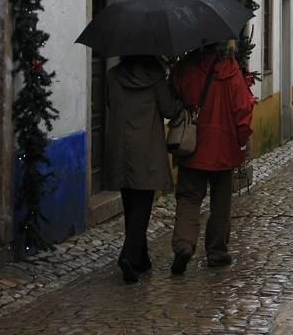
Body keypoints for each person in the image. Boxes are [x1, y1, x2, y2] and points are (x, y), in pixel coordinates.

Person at [170, 44, 254, 274]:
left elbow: (174, 93)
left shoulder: (186, 67)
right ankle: (217, 253)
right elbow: (242, 111)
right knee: (220, 204)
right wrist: (243, 140)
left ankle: (184, 245)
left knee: (188, 199)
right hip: (223, 150)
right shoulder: (232, 71)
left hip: (193, 146)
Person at [104, 55, 182, 283]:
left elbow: (110, 102)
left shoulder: (112, 75)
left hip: (120, 145)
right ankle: (128, 256)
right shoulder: (156, 77)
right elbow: (168, 109)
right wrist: (179, 102)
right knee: (143, 202)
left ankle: (141, 257)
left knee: (129, 199)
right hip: (146, 145)